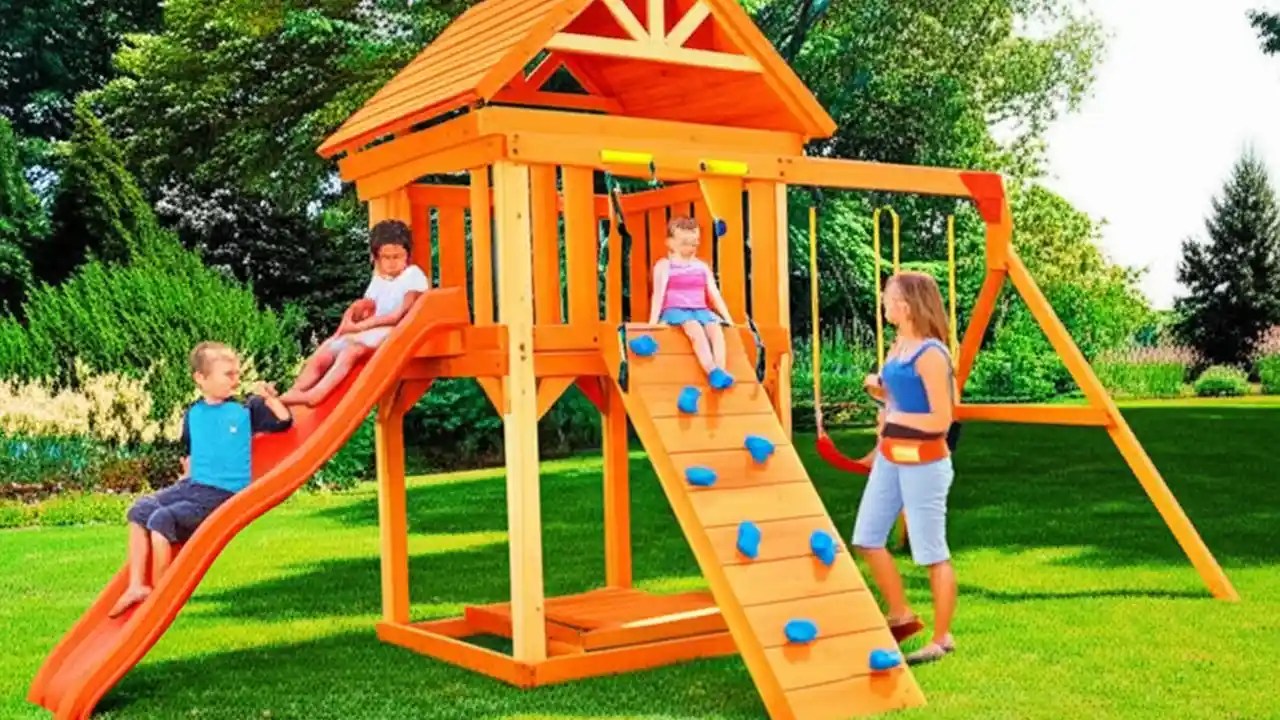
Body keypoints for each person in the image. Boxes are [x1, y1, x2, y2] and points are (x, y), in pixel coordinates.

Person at [109, 342, 293, 617]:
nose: (236, 379)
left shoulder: (246, 407)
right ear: (201, 378)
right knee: (138, 511)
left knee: (161, 519)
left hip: (222, 493)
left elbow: (285, 421)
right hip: (194, 485)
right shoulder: (193, 413)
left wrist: (269, 398)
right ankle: (136, 585)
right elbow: (195, 449)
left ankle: (162, 594)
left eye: (237, 373)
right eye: (227, 374)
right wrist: (187, 475)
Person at [850, 271, 959, 665]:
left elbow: (940, 420)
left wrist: (895, 423)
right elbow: (897, 400)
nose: (883, 301)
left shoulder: (932, 353)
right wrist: (880, 390)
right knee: (866, 537)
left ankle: (942, 637)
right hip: (892, 456)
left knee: (931, 551)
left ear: (907, 305)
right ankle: (900, 613)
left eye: (888, 296)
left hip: (926, 462)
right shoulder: (898, 346)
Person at [280, 220, 429, 407]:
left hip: (396, 332)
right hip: (374, 331)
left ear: (407, 255)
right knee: (327, 348)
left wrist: (362, 326)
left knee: (352, 350)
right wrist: (352, 316)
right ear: (376, 258)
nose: (391, 263)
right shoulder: (380, 279)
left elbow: (398, 316)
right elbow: (367, 304)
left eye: (397, 257)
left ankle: (317, 394)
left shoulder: (413, 275)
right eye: (386, 257)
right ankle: (297, 389)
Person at [647, 216, 736, 390]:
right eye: (685, 243)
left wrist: (728, 318)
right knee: (694, 328)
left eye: (694, 243)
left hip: (700, 310)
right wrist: (653, 323)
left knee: (715, 329)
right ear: (671, 243)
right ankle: (711, 369)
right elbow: (658, 294)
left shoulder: (701, 267)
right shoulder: (665, 265)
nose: (691, 247)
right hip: (677, 310)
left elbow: (714, 294)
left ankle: (720, 370)